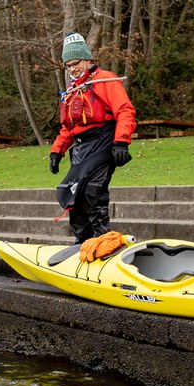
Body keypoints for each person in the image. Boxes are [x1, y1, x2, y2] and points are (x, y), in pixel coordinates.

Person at [47, 32, 137, 243]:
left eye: (76, 63)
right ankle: (82, 242)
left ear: (87, 60)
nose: (72, 69)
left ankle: (103, 241)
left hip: (103, 142)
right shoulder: (72, 90)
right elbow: (68, 127)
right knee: (74, 197)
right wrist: (56, 151)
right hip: (80, 148)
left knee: (92, 193)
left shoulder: (105, 79)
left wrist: (121, 141)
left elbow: (125, 111)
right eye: (68, 66)